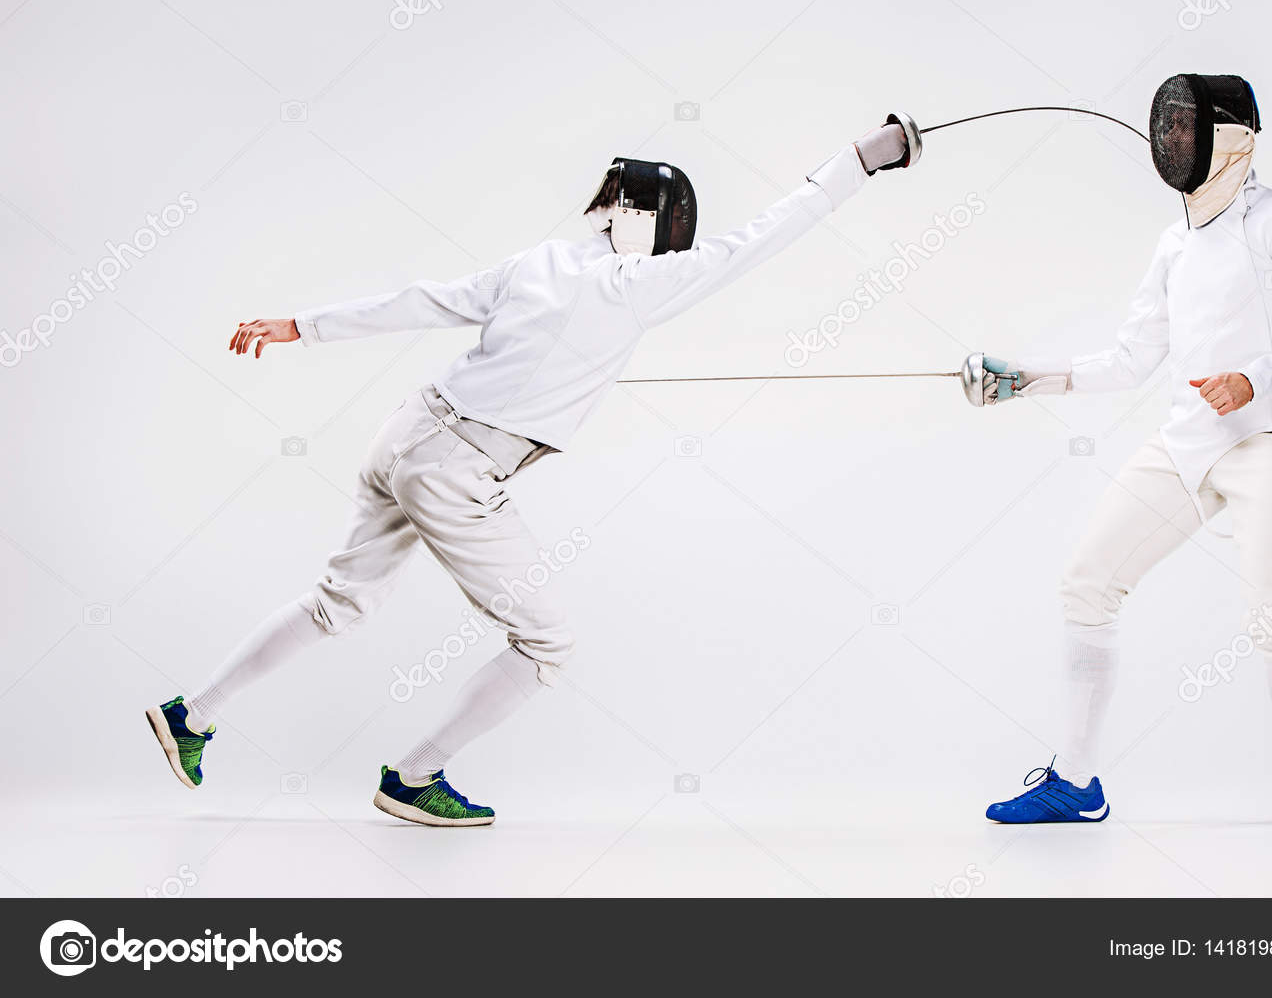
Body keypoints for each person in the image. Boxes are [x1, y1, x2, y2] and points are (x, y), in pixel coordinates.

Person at [145, 117, 915, 827]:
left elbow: (425, 301)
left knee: (337, 602)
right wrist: (862, 158)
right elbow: (767, 234)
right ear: (652, 222)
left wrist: (300, 327)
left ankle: (194, 713)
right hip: (456, 471)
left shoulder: (539, 263)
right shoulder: (635, 283)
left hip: (405, 431)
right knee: (546, 645)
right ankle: (414, 777)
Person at [977, 75, 1272, 827]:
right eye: (1171, 128)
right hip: (1186, 443)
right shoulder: (1175, 242)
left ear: (1232, 139)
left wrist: (1254, 379)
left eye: (1188, 128)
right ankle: (1077, 783)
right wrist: (1026, 380)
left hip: (1266, 444)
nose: (1174, 141)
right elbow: (1130, 356)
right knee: (1087, 581)